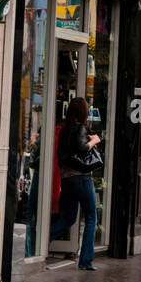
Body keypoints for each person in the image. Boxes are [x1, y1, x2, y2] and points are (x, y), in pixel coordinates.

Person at [49, 98, 102, 270]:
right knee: (91, 216)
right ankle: (86, 261)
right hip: (81, 178)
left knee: (68, 218)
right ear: (83, 113)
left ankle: (39, 244)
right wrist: (94, 141)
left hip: (67, 179)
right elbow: (81, 148)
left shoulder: (64, 130)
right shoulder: (80, 128)